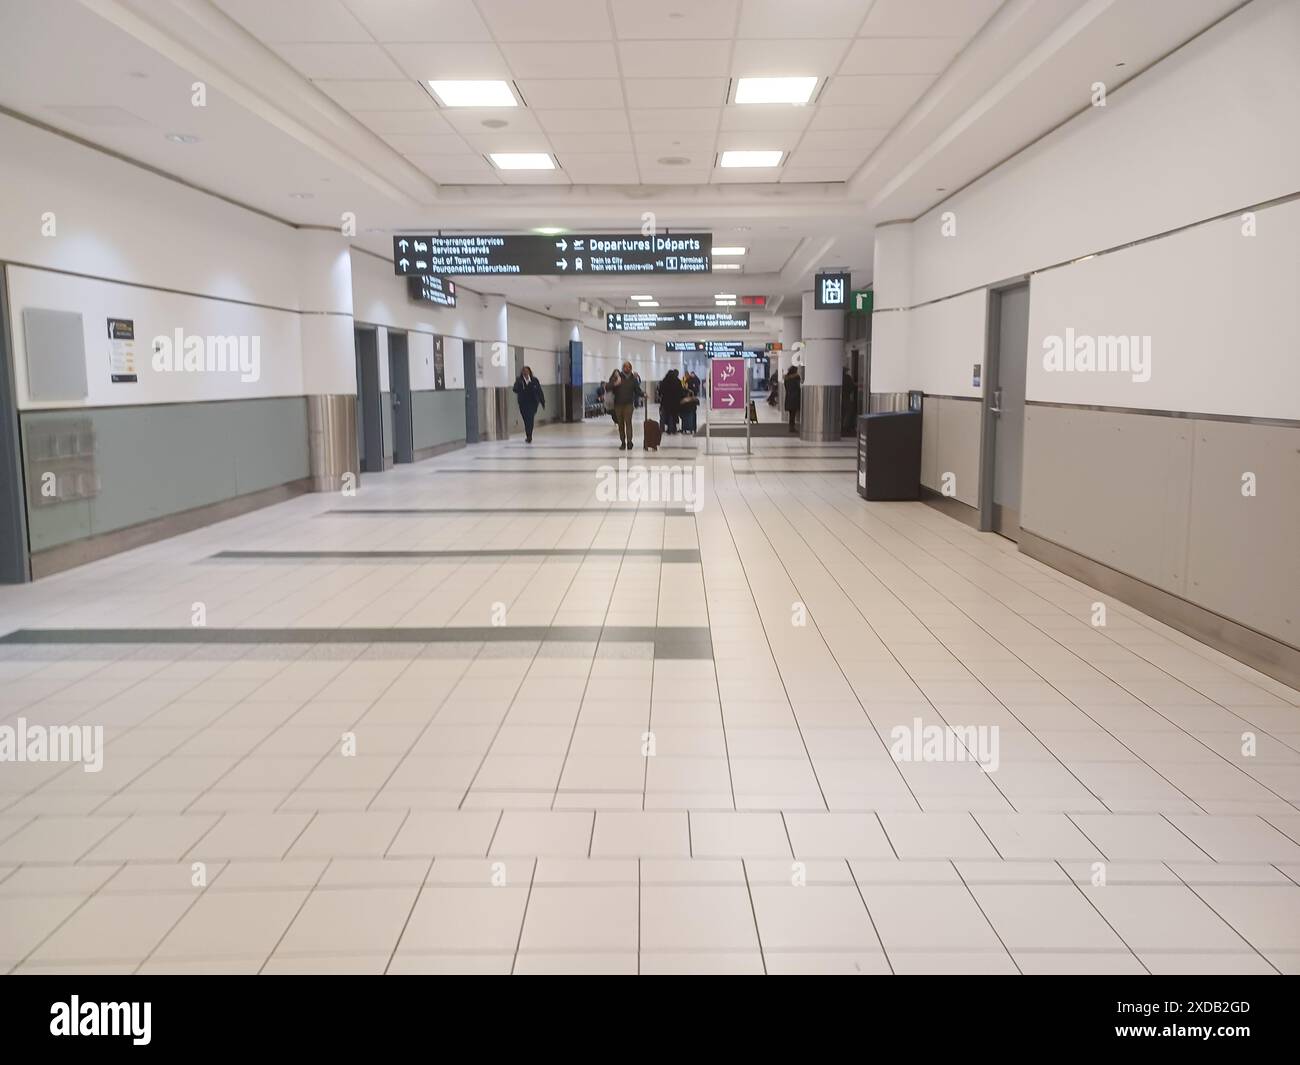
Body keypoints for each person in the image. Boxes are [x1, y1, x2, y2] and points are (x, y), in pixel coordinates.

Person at [609, 361, 642, 450]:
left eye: (628, 367)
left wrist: (644, 394)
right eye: (624, 367)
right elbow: (608, 387)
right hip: (618, 404)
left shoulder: (633, 379)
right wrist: (615, 383)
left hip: (628, 404)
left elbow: (637, 390)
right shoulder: (617, 377)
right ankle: (623, 442)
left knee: (628, 423)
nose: (626, 368)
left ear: (631, 368)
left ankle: (630, 442)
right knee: (620, 424)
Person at [512, 365, 545, 443]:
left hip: (532, 403)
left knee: (530, 418)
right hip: (523, 403)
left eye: (527, 371)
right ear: (522, 372)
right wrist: (520, 388)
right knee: (526, 419)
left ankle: (529, 435)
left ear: (530, 372)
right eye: (524, 371)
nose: (526, 373)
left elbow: (539, 391)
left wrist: (542, 401)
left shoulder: (534, 380)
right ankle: (528, 434)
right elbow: (515, 389)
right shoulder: (519, 380)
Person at [783, 365, 802, 434]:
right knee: (793, 413)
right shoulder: (796, 377)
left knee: (791, 413)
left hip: (788, 397)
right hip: (795, 397)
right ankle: (792, 427)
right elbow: (798, 387)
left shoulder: (786, 378)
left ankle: (791, 426)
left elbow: (786, 387)